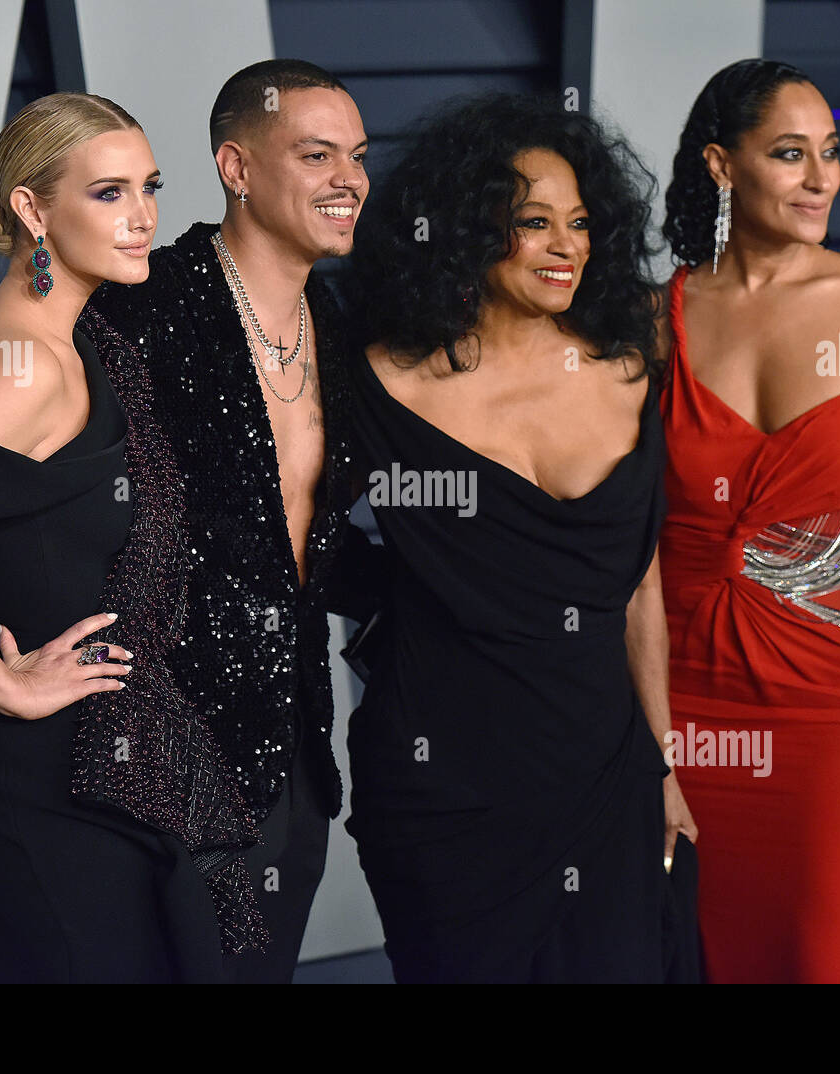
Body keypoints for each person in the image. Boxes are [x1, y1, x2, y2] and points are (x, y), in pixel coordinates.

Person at [0, 60, 371, 982]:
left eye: (358, 156)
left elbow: (313, 548)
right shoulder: (131, 297)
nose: (348, 179)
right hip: (138, 753)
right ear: (237, 168)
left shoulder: (344, 322)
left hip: (289, 745)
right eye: (316, 154)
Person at [0, 93, 254, 982]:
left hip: (105, 764)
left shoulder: (77, 338)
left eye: (148, 186)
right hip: (43, 782)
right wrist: (4, 682)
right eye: (108, 193)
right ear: (32, 209)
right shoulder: (23, 360)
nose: (143, 216)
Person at [344, 93, 697, 983]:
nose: (566, 246)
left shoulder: (627, 366)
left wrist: (661, 762)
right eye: (533, 223)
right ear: (467, 231)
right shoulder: (379, 382)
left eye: (578, 224)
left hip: (603, 771)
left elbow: (641, 585)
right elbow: (269, 536)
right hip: (443, 787)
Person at [659, 59, 840, 982]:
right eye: (791, 155)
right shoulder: (651, 317)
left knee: (834, 952)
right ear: (721, 165)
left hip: (836, 697)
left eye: (830, 153)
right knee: (704, 950)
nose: (823, 177)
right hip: (682, 695)